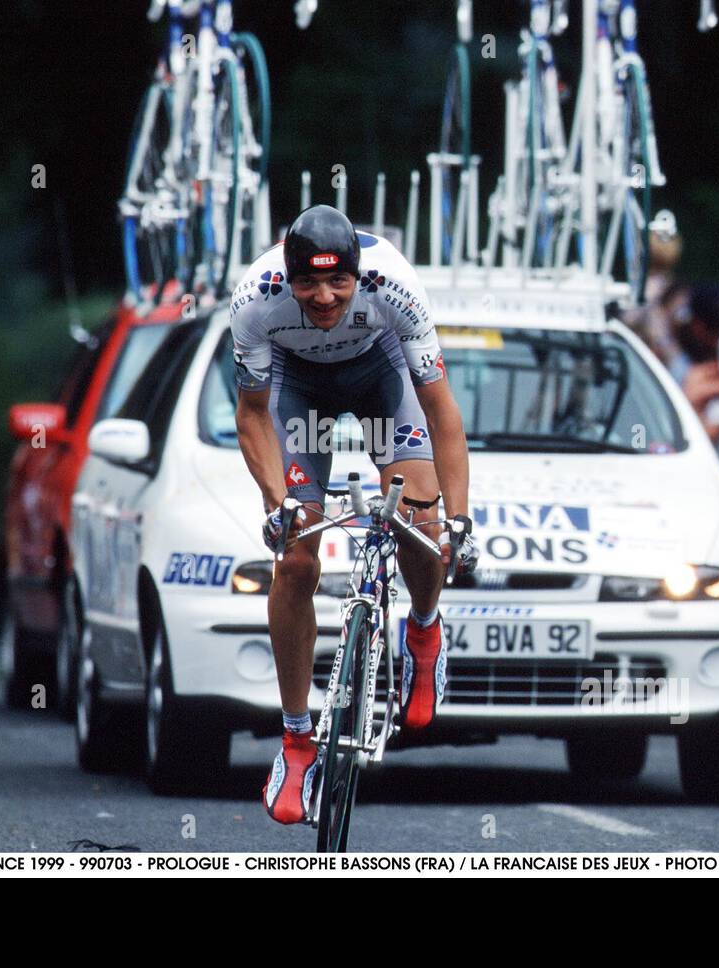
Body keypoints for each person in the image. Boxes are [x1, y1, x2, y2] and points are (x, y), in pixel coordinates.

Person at [231, 205, 478, 824]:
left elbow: (442, 413)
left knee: (421, 522)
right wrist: (277, 501)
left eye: (337, 281)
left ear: (358, 273)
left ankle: (423, 629)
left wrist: (461, 518)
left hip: (378, 374)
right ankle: (295, 741)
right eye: (308, 283)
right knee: (294, 563)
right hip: (296, 386)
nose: (323, 296)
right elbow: (254, 415)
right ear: (286, 275)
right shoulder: (255, 300)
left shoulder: (394, 284)